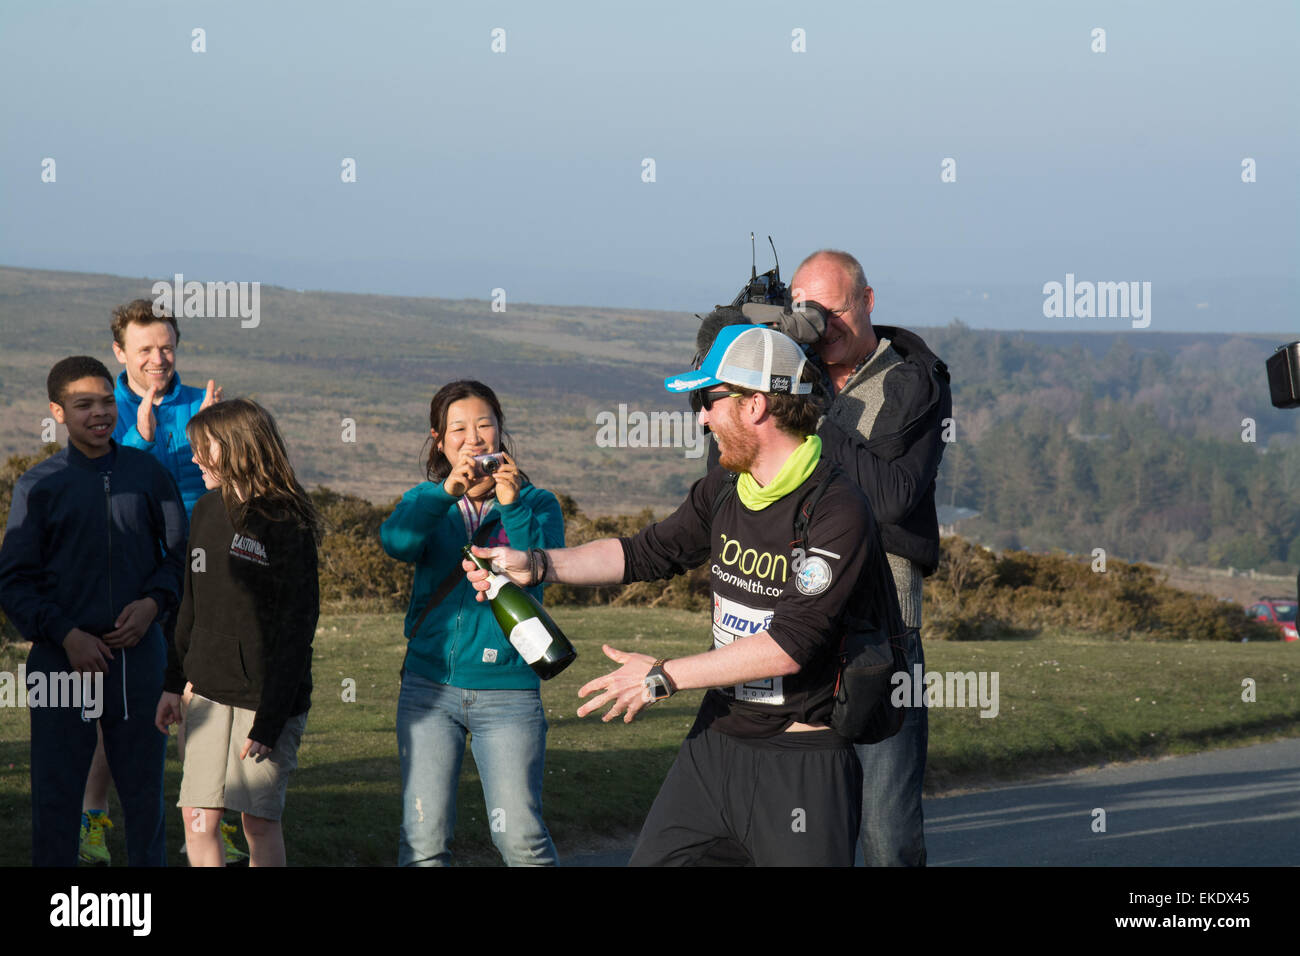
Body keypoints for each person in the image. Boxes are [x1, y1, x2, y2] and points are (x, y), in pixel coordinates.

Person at [466, 327, 893, 866]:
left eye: (706, 401)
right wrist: (536, 564)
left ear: (755, 405)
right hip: (716, 743)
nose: (701, 419)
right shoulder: (725, 486)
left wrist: (662, 676)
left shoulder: (836, 511)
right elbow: (644, 553)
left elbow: (790, 645)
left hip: (801, 762)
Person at [791, 249, 952, 867]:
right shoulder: (786, 372)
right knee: (804, 829)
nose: (822, 327)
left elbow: (890, 497)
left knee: (887, 833)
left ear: (868, 301)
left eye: (833, 311)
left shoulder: (912, 382)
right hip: (797, 625)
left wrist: (807, 410)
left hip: (883, 632)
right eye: (807, 313)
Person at [0, 356, 186, 866]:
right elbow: (13, 581)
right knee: (56, 797)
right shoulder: (38, 486)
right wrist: (66, 634)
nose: (100, 413)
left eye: (107, 401)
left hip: (139, 659)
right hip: (62, 662)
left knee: (145, 797)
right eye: (84, 405)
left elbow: (179, 558)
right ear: (58, 412)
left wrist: (153, 605)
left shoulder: (148, 474)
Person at [380, 380, 564, 867]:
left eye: (485, 425)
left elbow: (540, 568)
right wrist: (444, 494)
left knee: (521, 839)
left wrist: (511, 501)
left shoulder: (537, 502)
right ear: (439, 441)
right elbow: (397, 542)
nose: (474, 438)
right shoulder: (427, 498)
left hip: (508, 691)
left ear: (501, 432)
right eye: (458, 428)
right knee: (423, 842)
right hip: (428, 687)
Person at [79, 298, 235, 865]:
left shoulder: (201, 403)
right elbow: (105, 491)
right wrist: (140, 440)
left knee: (213, 695)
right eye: (144, 349)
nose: (157, 358)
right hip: (135, 578)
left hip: (205, 571)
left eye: (166, 347)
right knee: (120, 708)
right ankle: (93, 819)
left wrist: (223, 439)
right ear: (120, 352)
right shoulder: (103, 410)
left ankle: (223, 814)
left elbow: (230, 486)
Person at [154, 398, 321, 867]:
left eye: (202, 449)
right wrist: (172, 683)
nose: (193, 459)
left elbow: (296, 626)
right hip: (205, 693)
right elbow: (191, 602)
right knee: (198, 819)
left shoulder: (287, 523)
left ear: (238, 448)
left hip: (265, 701)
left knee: (258, 822)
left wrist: (272, 717)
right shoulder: (206, 509)